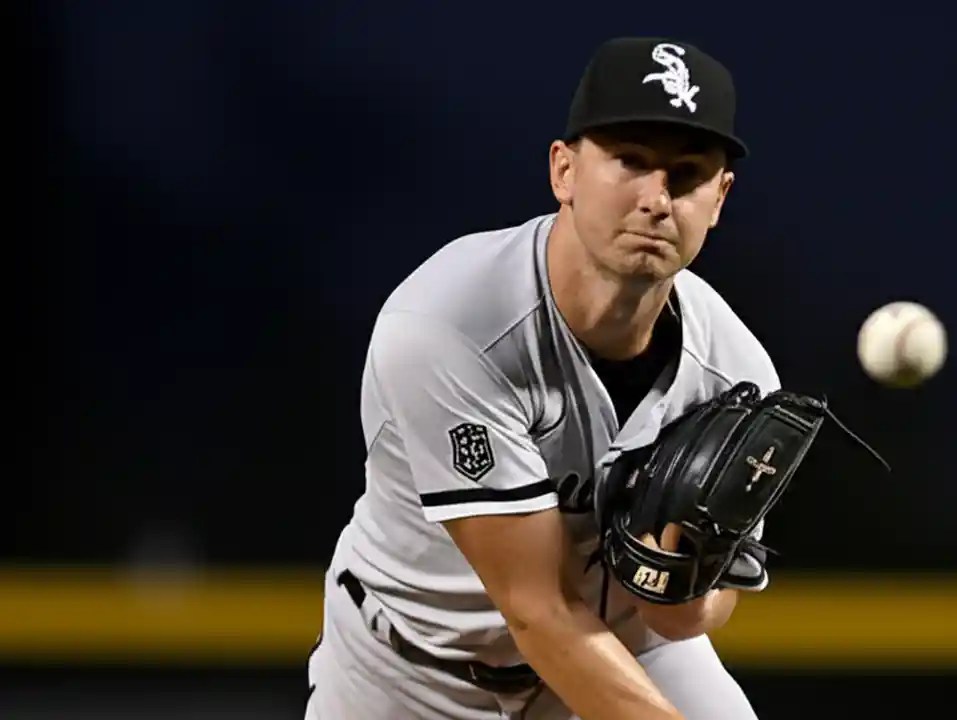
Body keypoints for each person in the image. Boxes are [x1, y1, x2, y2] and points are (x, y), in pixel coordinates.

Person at [305, 36, 780, 720]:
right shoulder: (452, 323)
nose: (657, 197)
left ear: (719, 198)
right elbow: (539, 611)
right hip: (405, 676)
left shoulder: (735, 375)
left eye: (686, 173)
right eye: (631, 161)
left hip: (624, 647)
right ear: (564, 172)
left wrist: (680, 584)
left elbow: (690, 618)